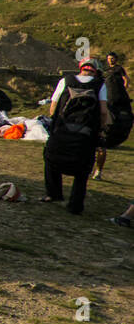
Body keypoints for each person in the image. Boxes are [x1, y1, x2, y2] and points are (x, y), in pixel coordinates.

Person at [43, 59, 108, 214]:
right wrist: (101, 129)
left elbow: (53, 106)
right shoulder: (100, 84)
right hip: (86, 133)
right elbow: (104, 111)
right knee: (83, 169)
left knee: (50, 158)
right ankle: (75, 205)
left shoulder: (65, 81)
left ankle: (54, 194)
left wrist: (56, 123)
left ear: (81, 69)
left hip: (62, 130)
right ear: (96, 71)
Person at [94, 52, 133, 180]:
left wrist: (124, 88)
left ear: (115, 59)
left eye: (112, 59)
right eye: (108, 59)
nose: (110, 61)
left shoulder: (118, 69)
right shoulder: (106, 71)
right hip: (108, 97)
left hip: (117, 96)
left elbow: (126, 79)